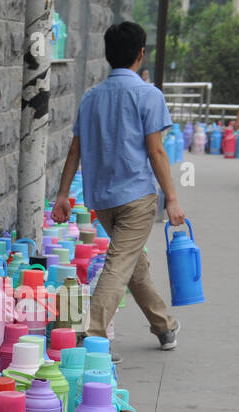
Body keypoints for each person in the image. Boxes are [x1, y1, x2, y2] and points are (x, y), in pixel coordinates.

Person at [52, 21, 183, 361]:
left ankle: (164, 325)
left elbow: (74, 150)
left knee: (132, 263)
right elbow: (156, 151)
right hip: (137, 198)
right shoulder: (148, 94)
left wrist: (63, 194)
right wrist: (172, 199)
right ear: (141, 54)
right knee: (120, 264)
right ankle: (90, 337)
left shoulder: (91, 97)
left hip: (104, 201)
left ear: (108, 55)